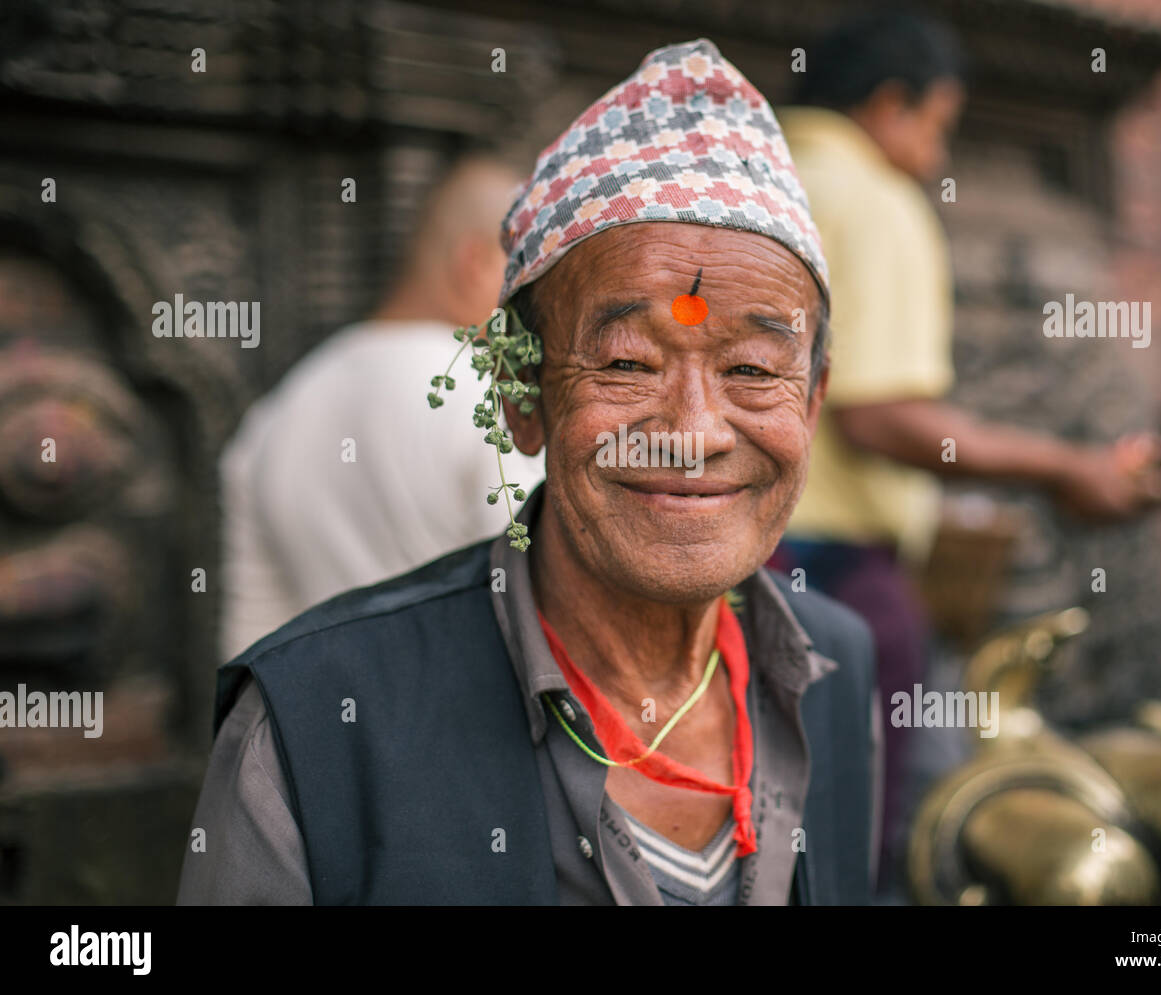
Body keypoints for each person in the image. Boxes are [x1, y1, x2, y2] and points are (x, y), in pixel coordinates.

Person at [177, 38, 881, 906]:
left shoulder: (832, 672)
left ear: (811, 400)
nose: (694, 431)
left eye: (753, 369)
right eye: (627, 363)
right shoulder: (307, 726)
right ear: (520, 390)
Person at [773, 11, 1161, 893]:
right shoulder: (872, 199)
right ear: (888, 104)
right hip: (828, 566)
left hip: (714, 553)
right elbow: (876, 414)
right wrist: (1066, 468)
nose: (937, 156)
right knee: (850, 841)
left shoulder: (746, 179)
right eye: (937, 125)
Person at [218, 155, 543, 660]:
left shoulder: (279, 411)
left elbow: (253, 645)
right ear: (477, 265)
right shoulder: (492, 398)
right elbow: (540, 606)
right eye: (528, 275)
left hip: (333, 706)